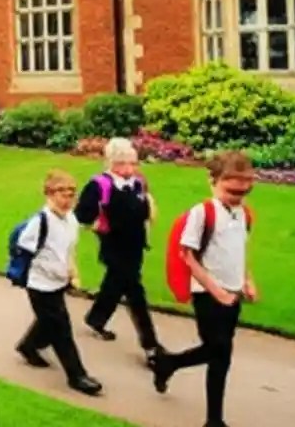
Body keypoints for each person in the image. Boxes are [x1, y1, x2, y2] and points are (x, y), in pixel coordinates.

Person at [150, 151, 258, 427]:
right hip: (206, 292)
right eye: (231, 190)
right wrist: (215, 290)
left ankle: (169, 364)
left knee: (220, 354)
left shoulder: (243, 214)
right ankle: (214, 420)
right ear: (213, 181)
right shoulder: (202, 213)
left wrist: (247, 280)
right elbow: (188, 255)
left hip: (232, 292)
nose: (236, 197)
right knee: (219, 349)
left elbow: (239, 250)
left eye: (242, 192)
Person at [14, 169, 103, 397]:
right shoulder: (39, 222)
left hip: (59, 282)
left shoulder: (71, 220)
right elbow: (26, 252)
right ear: (49, 194)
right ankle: (77, 376)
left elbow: (69, 250)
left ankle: (28, 346)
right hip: (40, 285)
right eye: (61, 195)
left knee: (49, 322)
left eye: (71, 195)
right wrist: (55, 272)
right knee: (62, 330)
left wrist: (72, 273)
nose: (67, 200)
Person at [76, 137, 162, 359]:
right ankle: (151, 346)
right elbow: (82, 214)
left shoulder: (137, 184)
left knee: (114, 285)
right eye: (122, 163)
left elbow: (143, 212)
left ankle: (96, 319)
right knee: (135, 292)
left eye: (132, 163)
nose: (128, 169)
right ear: (110, 162)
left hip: (135, 246)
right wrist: (96, 226)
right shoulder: (99, 185)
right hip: (113, 247)